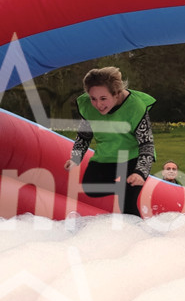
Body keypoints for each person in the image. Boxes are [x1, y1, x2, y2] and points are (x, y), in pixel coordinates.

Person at [65, 67, 155, 217]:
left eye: (103, 98)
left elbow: (146, 144)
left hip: (133, 157)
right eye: (93, 98)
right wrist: (75, 158)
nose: (98, 104)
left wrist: (140, 172)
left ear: (116, 94)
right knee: (90, 188)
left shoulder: (135, 107)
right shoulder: (87, 106)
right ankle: (123, 187)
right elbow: (84, 136)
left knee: (127, 204)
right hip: (107, 155)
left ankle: (138, 231)